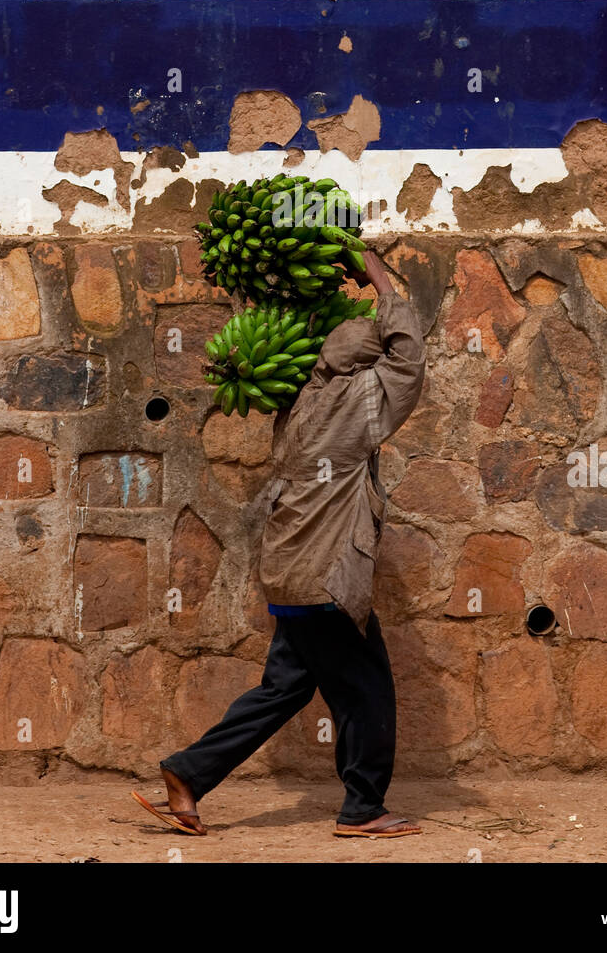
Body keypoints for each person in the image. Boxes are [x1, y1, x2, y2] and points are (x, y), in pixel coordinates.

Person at [132, 249, 426, 839]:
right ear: (361, 368)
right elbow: (409, 362)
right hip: (327, 581)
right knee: (367, 692)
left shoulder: (300, 404)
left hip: (289, 576)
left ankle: (187, 775)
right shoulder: (357, 406)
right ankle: (363, 808)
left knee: (284, 689)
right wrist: (378, 278)